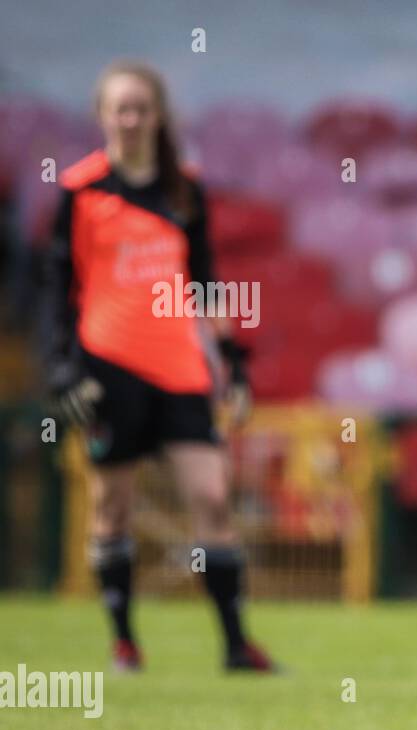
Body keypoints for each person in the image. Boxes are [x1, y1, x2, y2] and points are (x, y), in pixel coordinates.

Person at [42, 60, 276, 673]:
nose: (132, 118)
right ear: (103, 115)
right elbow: (57, 290)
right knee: (112, 508)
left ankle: (234, 645)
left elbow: (205, 283)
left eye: (142, 107)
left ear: (158, 116)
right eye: (121, 107)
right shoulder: (80, 191)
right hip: (108, 365)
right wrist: (63, 368)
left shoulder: (185, 189)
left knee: (212, 497)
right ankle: (124, 643)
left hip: (178, 368)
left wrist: (233, 361)